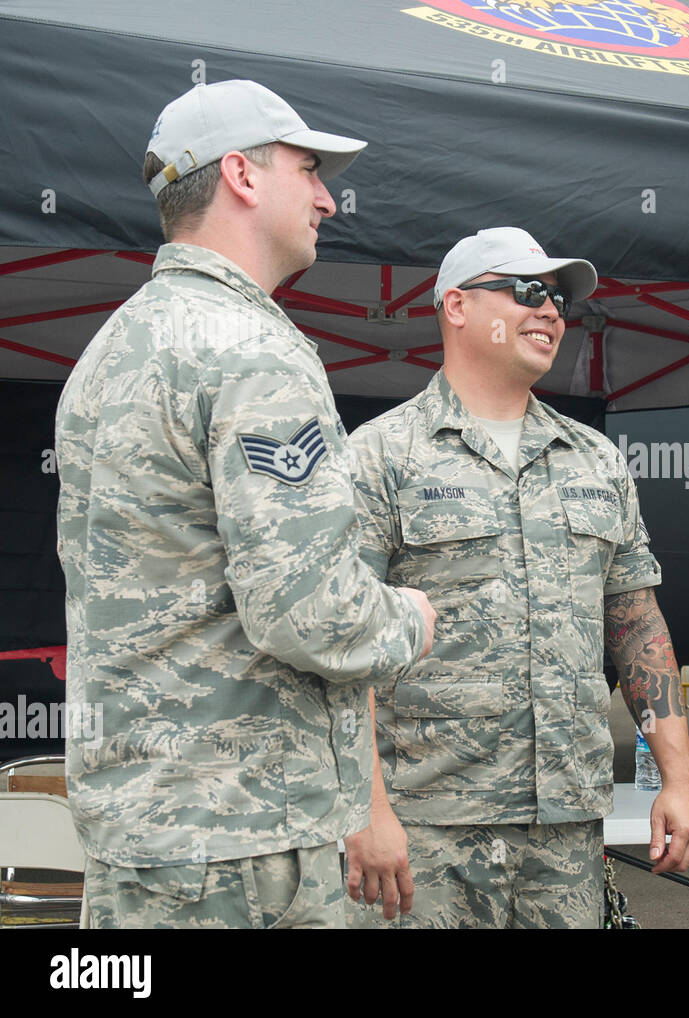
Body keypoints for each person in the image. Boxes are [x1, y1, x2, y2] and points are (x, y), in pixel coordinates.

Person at [55, 79, 437, 929]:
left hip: (148, 835)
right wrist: (410, 617)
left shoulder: (111, 348)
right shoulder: (251, 350)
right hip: (243, 845)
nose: (329, 198)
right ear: (241, 174)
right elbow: (308, 612)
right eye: (309, 168)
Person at [343, 227, 689, 929]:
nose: (551, 311)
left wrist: (681, 782)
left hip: (564, 835)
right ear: (456, 306)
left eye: (561, 300)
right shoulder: (380, 456)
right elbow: (343, 650)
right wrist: (367, 811)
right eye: (529, 290)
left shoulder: (595, 460)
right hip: (426, 833)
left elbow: (637, 630)